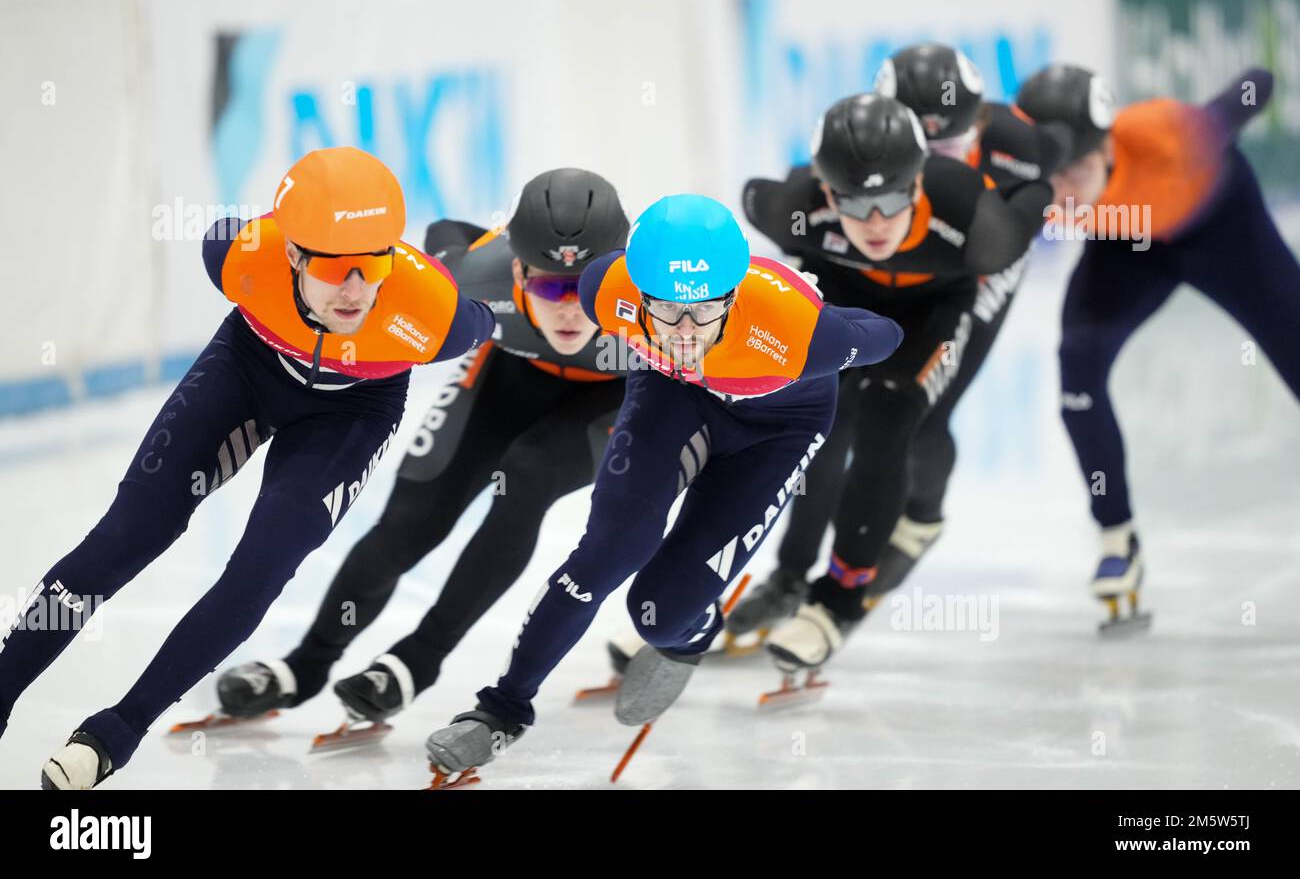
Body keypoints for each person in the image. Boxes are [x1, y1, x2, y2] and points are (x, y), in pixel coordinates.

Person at [0, 147, 494, 788]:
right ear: (292, 254)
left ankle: (118, 730)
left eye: (372, 266)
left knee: (260, 568)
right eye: (334, 267)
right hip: (247, 368)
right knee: (124, 536)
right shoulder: (236, 253)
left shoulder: (433, 317)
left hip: (352, 412)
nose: (354, 289)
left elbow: (485, 310)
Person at [421, 193, 903, 782]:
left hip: (778, 428)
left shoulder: (801, 333)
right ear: (637, 291)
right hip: (673, 397)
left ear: (732, 294)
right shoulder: (605, 286)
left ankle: (694, 629)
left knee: (657, 615)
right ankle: (500, 711)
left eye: (703, 312)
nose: (683, 331)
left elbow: (887, 332)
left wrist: (812, 305)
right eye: (665, 311)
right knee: (606, 552)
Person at [211, 169, 632, 738]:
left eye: (584, 290)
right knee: (409, 520)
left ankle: (418, 659)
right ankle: (306, 665)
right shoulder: (473, 279)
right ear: (515, 271)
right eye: (548, 288)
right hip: (506, 377)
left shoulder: (652, 307)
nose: (568, 310)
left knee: (528, 475)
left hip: (611, 396)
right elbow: (445, 234)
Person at [735, 91, 1056, 673]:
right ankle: (787, 575)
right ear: (828, 194)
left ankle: (839, 597)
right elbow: (750, 200)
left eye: (892, 199)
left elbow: (1040, 190)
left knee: (892, 418)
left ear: (918, 183)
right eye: (856, 204)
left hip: (935, 312)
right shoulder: (793, 205)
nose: (876, 222)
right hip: (849, 296)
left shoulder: (979, 221)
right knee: (818, 419)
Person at [1016, 64, 1299, 627]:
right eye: (1051, 177)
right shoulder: (1023, 178)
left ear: (1108, 148)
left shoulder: (1163, 135)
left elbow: (1249, 90)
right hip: (1128, 245)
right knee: (1078, 364)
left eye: (1075, 170)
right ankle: (1118, 537)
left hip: (1221, 228)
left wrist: (1256, 84)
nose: (1063, 193)